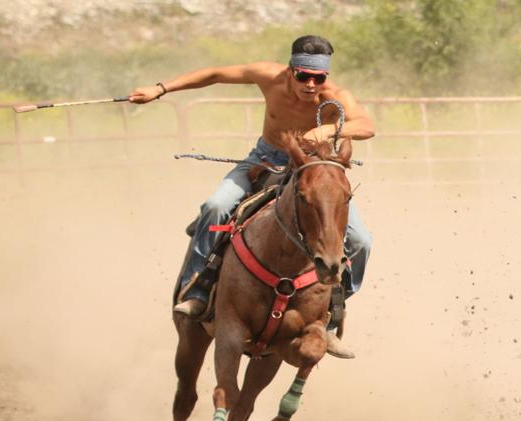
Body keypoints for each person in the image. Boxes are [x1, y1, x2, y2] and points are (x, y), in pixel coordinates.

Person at [132, 34, 374, 358]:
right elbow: (215, 74)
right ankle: (197, 288)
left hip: (312, 168)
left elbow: (367, 125)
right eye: (304, 75)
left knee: (360, 241)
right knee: (216, 206)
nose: (311, 85)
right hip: (265, 158)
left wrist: (328, 130)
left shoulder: (336, 96)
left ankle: (331, 313)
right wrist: (160, 89)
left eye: (319, 78)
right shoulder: (268, 75)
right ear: (290, 70)